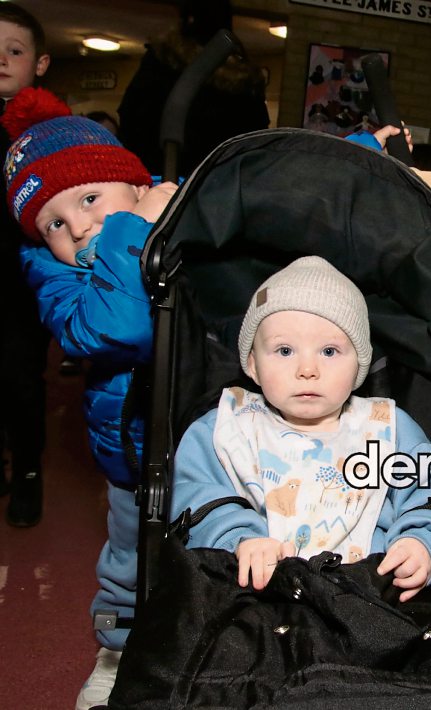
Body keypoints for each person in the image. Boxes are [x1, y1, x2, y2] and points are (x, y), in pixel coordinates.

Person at [1, 87, 178, 709]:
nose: (79, 228)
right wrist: (134, 227)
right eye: (55, 223)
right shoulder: (54, 275)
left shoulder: (178, 208)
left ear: (134, 182)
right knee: (130, 560)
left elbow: (264, 185)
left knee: (218, 548)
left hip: (213, 441)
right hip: (130, 454)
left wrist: (366, 146)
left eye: (90, 199)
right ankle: (117, 651)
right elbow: (119, 324)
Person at [171, 256, 431, 598]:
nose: (307, 369)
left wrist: (424, 541)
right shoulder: (225, 429)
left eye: (328, 351)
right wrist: (238, 538)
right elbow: (193, 494)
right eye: (284, 350)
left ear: (359, 367)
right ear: (252, 362)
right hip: (256, 601)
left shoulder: (388, 429)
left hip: (367, 601)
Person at [117, 0, 269, 176]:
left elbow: (130, 115)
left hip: (170, 176)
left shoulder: (162, 63)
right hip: (211, 181)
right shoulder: (245, 80)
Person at [0, 2, 50, 525]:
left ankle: (28, 472)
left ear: (38, 63)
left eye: (14, 51)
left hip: (21, 277)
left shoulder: (47, 127)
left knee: (19, 377)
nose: (1, 61)